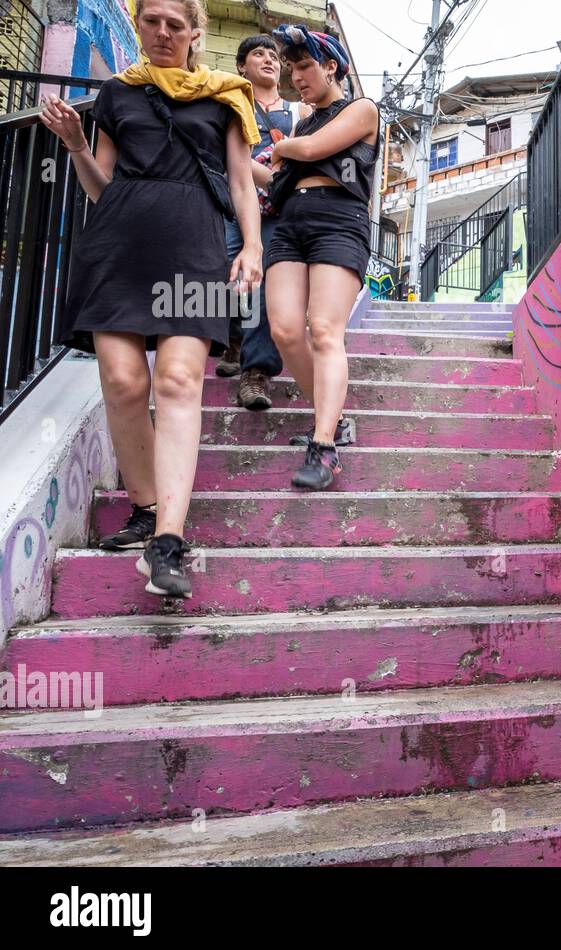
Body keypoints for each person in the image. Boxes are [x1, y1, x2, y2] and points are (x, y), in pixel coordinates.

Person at [38, 0, 262, 598]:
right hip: (118, 246)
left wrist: (252, 247)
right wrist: (78, 145)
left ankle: (167, 539)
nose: (162, 33)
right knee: (123, 381)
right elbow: (99, 188)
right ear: (140, 27)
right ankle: (144, 506)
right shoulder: (117, 94)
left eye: (175, 24)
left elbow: (241, 181)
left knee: (180, 380)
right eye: (151, 22)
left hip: (192, 247)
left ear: (195, 32)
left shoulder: (225, 95)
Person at [264, 24, 379, 490]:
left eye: (305, 66)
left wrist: (278, 148)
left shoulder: (361, 109)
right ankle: (332, 418)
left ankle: (325, 444)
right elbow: (273, 178)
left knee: (325, 328)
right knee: (286, 331)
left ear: (331, 66)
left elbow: (308, 150)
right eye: (292, 69)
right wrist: (231, 156)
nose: (297, 77)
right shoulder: (302, 123)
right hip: (290, 223)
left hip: (339, 219)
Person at [215, 33, 311, 410]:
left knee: (266, 285)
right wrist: (268, 173)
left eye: (274, 56)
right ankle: (233, 338)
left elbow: (297, 162)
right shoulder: (228, 106)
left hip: (276, 213)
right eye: (258, 54)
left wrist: (271, 177)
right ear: (242, 66)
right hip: (230, 206)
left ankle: (256, 373)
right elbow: (226, 158)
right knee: (222, 275)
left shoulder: (299, 112)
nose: (269, 60)